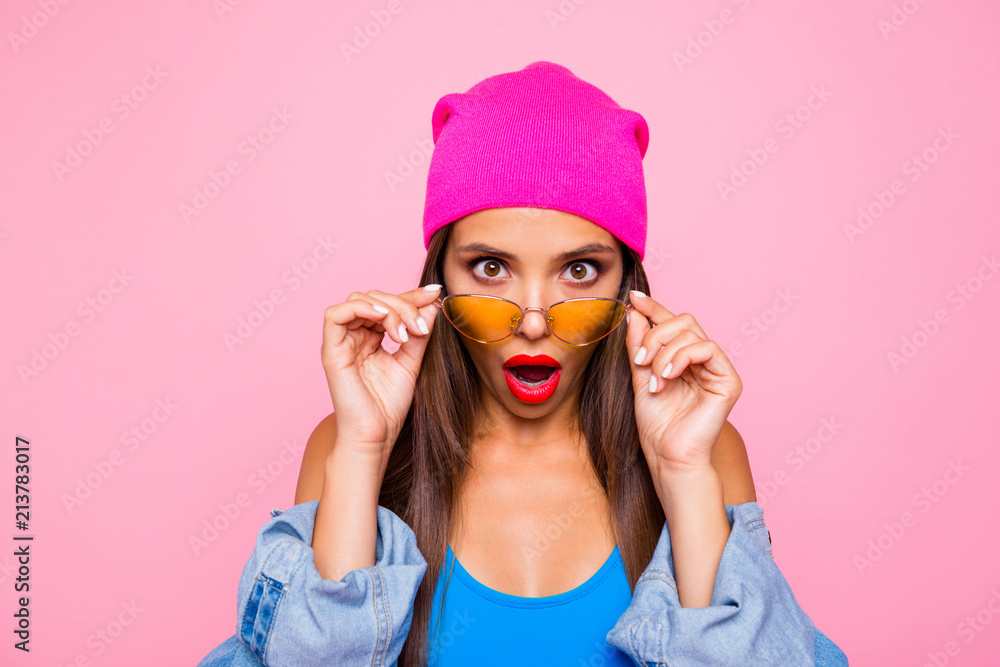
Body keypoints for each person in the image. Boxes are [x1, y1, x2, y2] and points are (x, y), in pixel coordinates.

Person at [197, 61, 848, 666]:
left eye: (580, 270)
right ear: (439, 278)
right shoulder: (350, 447)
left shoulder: (707, 452)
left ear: (629, 286)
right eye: (490, 267)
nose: (533, 318)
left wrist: (683, 474)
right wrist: (364, 447)